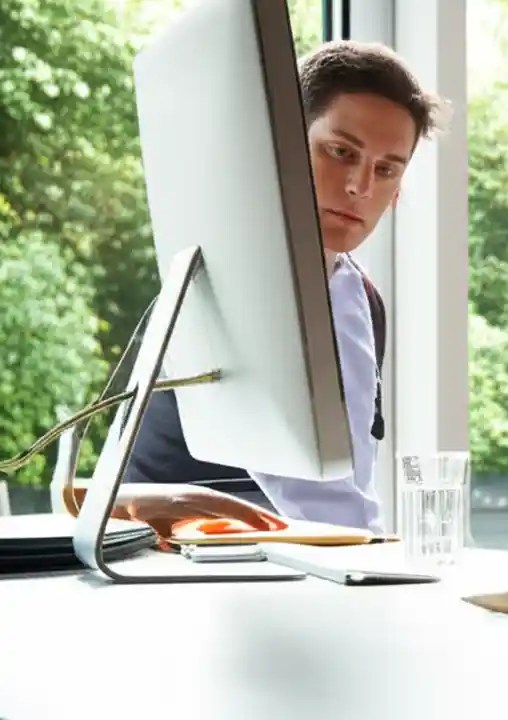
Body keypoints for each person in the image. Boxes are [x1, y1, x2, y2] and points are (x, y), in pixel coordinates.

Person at [64, 40, 446, 538]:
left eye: (386, 169)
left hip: (287, 558)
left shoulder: (365, 301)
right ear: (281, 148)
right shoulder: (219, 282)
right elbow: (316, 504)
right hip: (168, 560)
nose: (360, 186)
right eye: (340, 152)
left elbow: (346, 492)